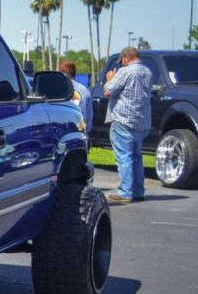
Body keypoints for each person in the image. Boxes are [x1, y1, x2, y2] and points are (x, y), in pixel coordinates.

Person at [102, 46, 152, 204]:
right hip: (142, 121)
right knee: (136, 156)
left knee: (124, 156)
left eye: (122, 60)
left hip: (123, 119)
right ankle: (138, 191)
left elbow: (108, 91)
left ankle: (125, 192)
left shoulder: (126, 71)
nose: (121, 63)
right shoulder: (147, 72)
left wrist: (110, 79)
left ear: (126, 57)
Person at [59, 60, 93, 132]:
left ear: (62, 73)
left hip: (64, 130)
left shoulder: (58, 89)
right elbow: (89, 114)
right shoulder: (85, 90)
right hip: (80, 130)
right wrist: (86, 130)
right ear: (74, 73)